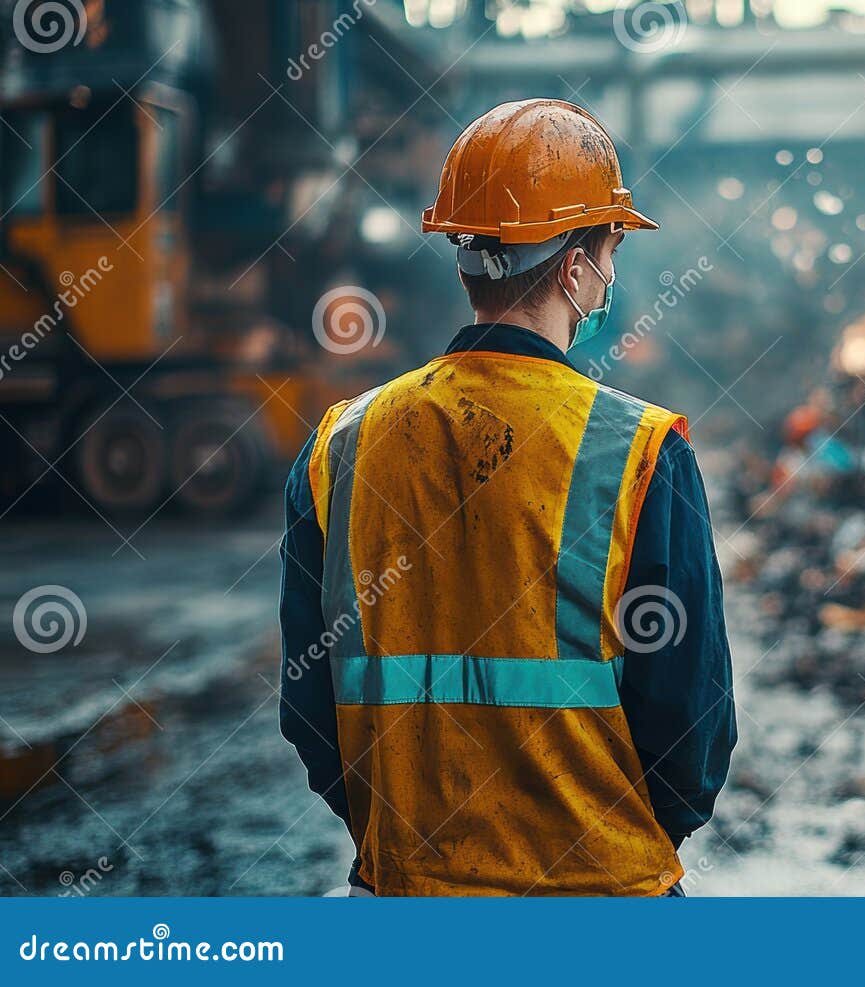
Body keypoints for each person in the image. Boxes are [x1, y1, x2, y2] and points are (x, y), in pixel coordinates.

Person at [277, 99, 736, 896]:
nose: (614, 273)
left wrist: (398, 834)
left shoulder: (341, 443)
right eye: (612, 248)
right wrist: (630, 833)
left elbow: (310, 700)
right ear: (574, 268)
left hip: (405, 899)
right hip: (601, 900)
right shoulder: (640, 451)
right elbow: (692, 715)